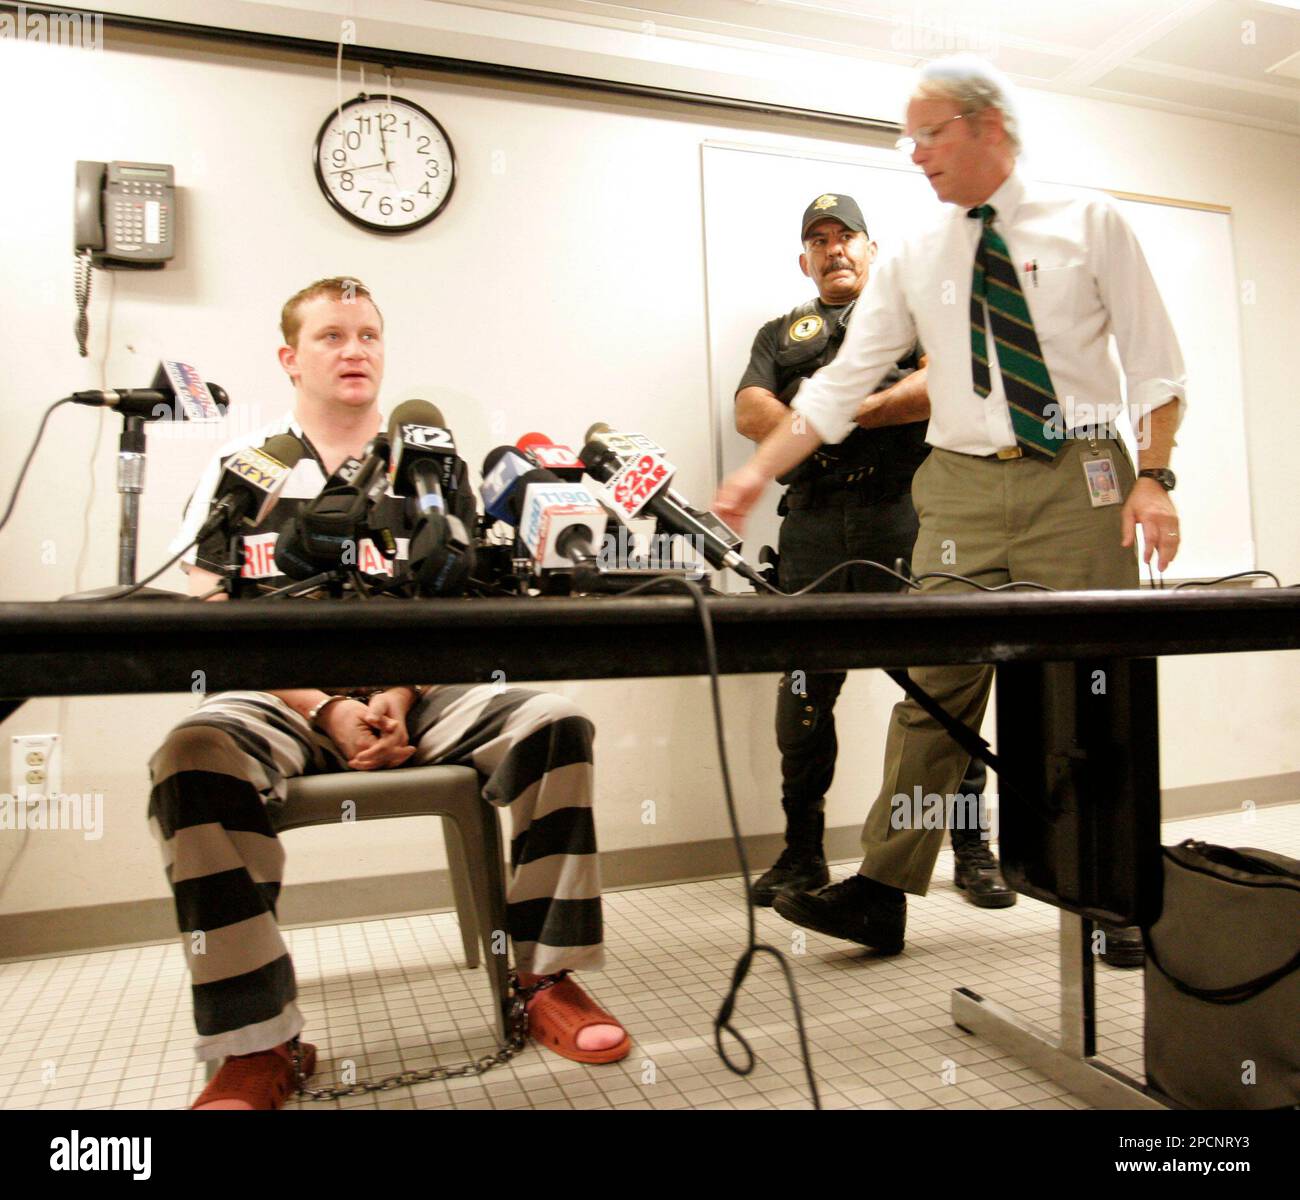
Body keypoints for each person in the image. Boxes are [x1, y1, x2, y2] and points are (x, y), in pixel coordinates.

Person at [715, 57, 1185, 968]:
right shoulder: (918, 256)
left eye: (931, 133)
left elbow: (1156, 365)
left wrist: (1156, 475)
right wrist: (755, 473)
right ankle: (883, 889)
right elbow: (839, 388)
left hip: (1078, 472)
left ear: (988, 127)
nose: (917, 152)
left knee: (1096, 689)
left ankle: (1113, 893)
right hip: (961, 484)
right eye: (912, 137)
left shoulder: (1090, 223)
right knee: (934, 693)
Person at [150, 277, 629, 1109]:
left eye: (368, 335)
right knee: (191, 757)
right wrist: (324, 706)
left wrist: (402, 693)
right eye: (332, 336)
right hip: (282, 695)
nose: (355, 350)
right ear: (289, 358)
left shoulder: (432, 467)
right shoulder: (243, 471)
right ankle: (257, 1041)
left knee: (554, 722)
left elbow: (461, 604)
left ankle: (544, 980)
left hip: (421, 688)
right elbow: (207, 615)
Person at [735, 193, 1012, 910]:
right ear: (805, 259)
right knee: (804, 691)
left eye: (846, 236)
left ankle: (971, 847)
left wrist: (840, 412)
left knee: (940, 684)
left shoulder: (911, 313)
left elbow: (938, 384)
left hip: (903, 517)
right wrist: (823, 419)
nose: (834, 249)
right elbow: (749, 410)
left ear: (871, 249)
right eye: (818, 240)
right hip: (813, 527)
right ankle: (803, 854)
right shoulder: (778, 333)